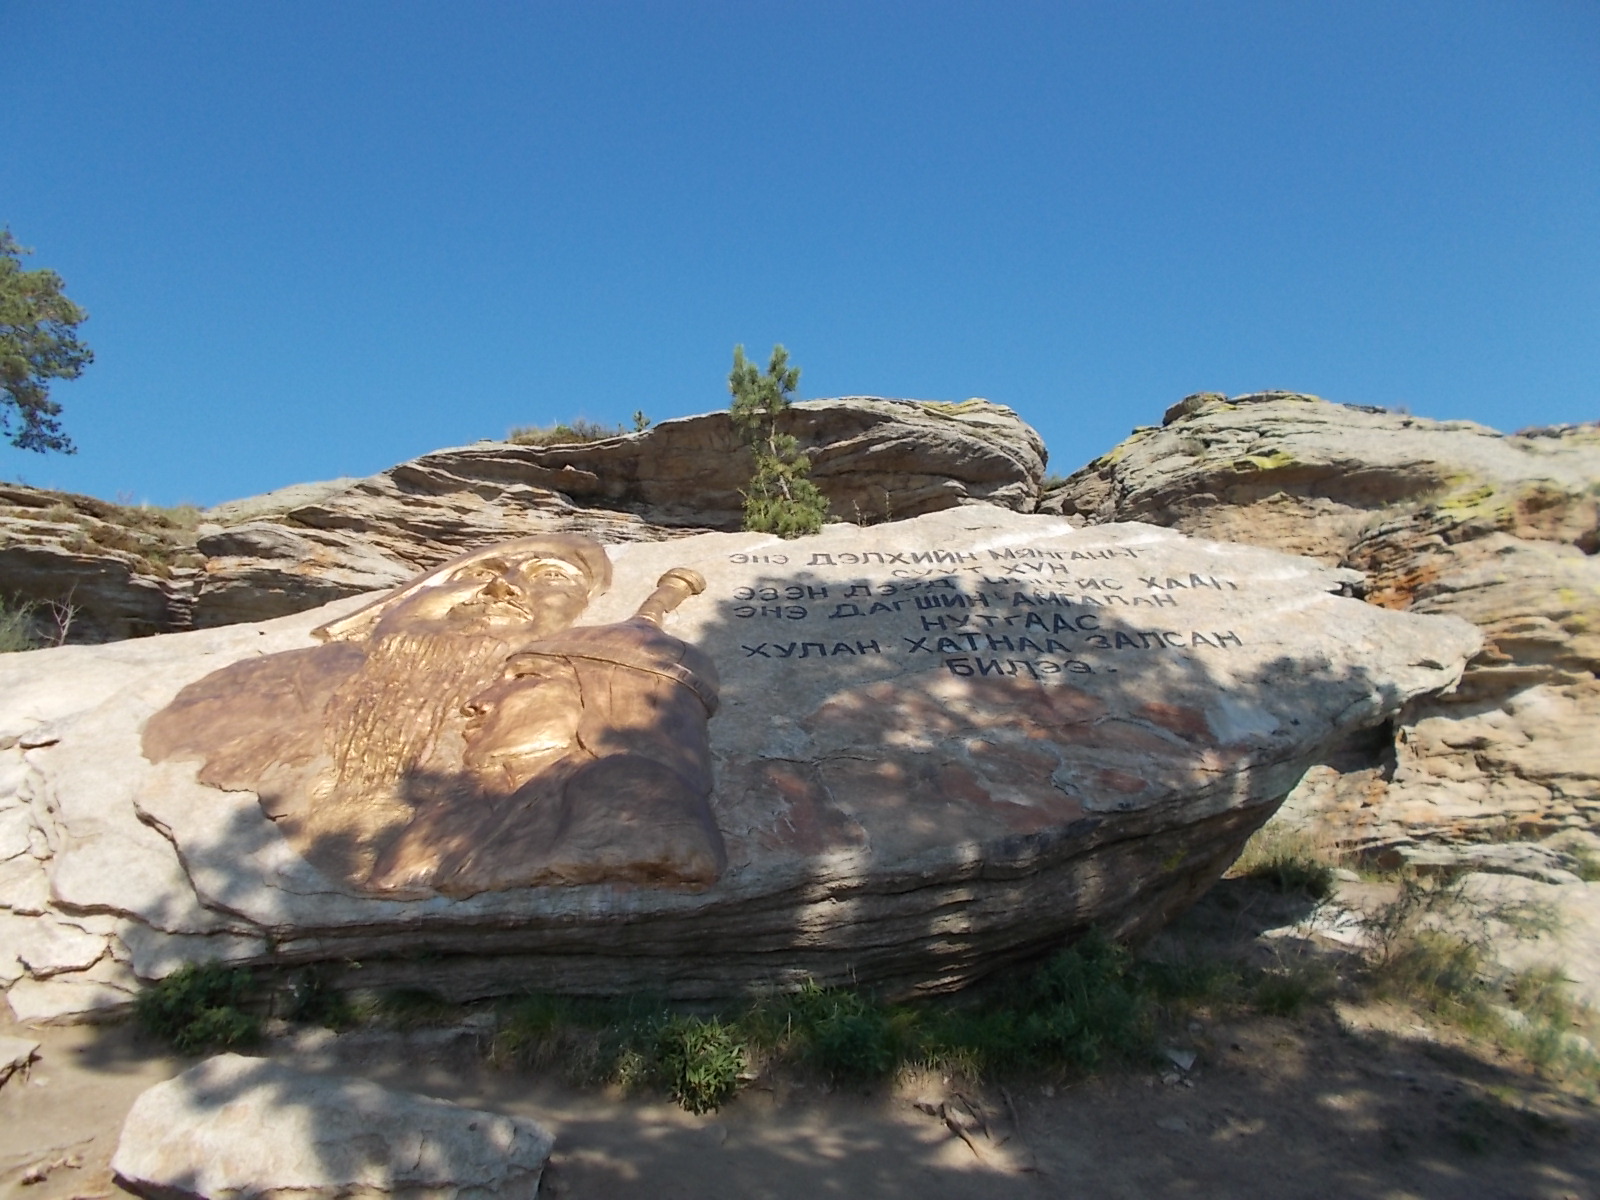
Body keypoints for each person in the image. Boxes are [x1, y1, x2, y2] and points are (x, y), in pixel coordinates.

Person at [143, 535, 616, 888]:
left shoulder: (578, 712)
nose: (503, 588)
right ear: (389, 607)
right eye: (475, 574)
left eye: (552, 579)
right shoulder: (249, 688)